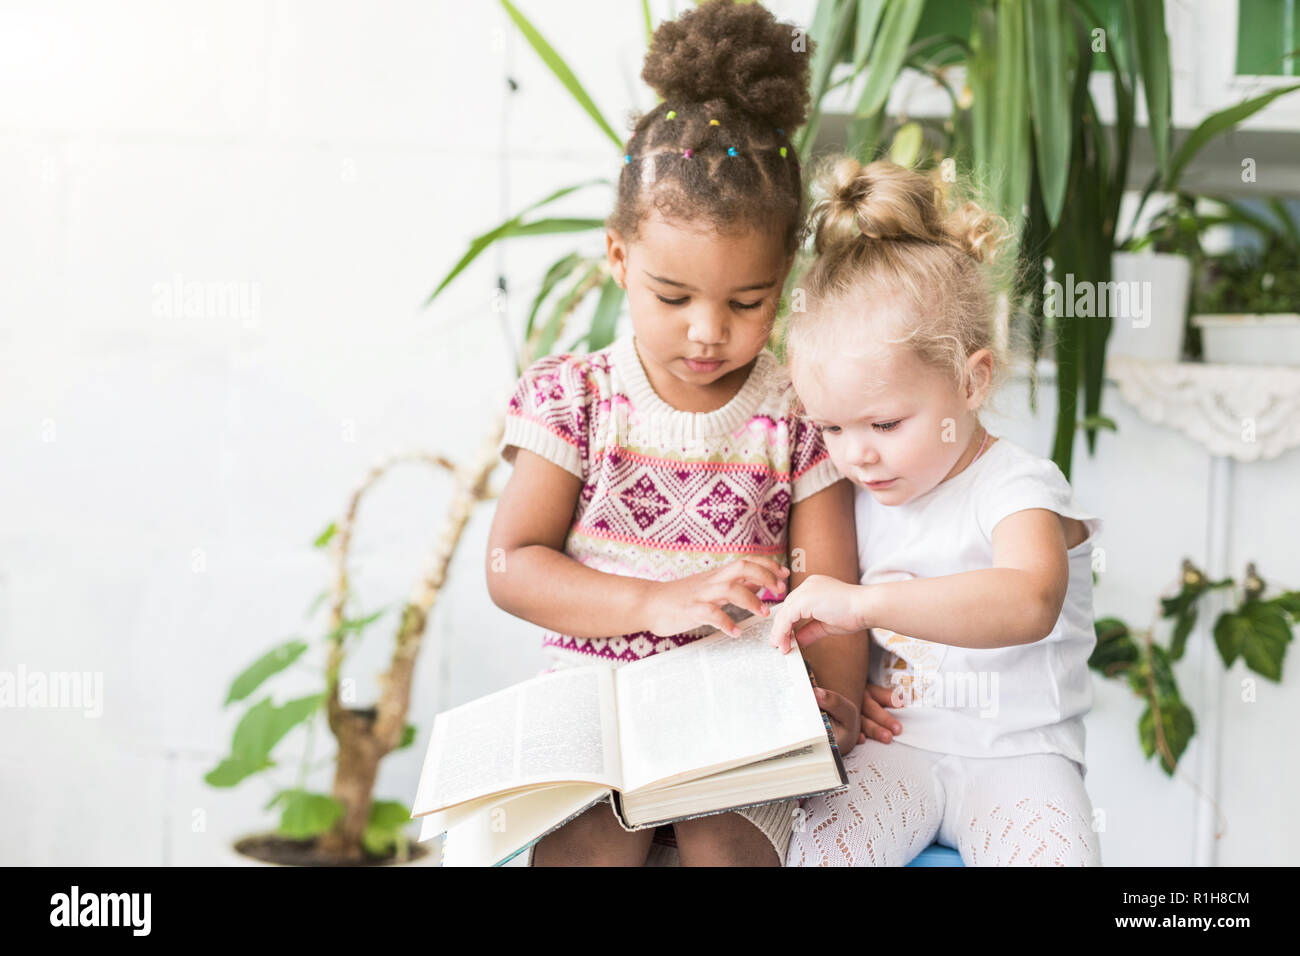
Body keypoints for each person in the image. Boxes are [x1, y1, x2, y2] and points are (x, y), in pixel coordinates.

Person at [485, 0, 867, 867]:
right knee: (588, 841)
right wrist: (656, 602)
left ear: (785, 278)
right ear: (618, 257)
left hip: (738, 707)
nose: (707, 332)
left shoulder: (799, 415)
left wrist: (836, 697)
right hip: (598, 701)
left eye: (747, 303)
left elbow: (829, 590)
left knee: (722, 842)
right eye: (672, 296)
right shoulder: (574, 399)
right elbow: (512, 565)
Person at [769, 157, 1104, 866]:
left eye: (884, 425)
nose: (856, 455)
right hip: (901, 753)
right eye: (831, 428)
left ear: (970, 379)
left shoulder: (1016, 486)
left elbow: (1029, 599)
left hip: (1020, 761)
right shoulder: (856, 491)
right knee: (817, 853)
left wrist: (864, 605)